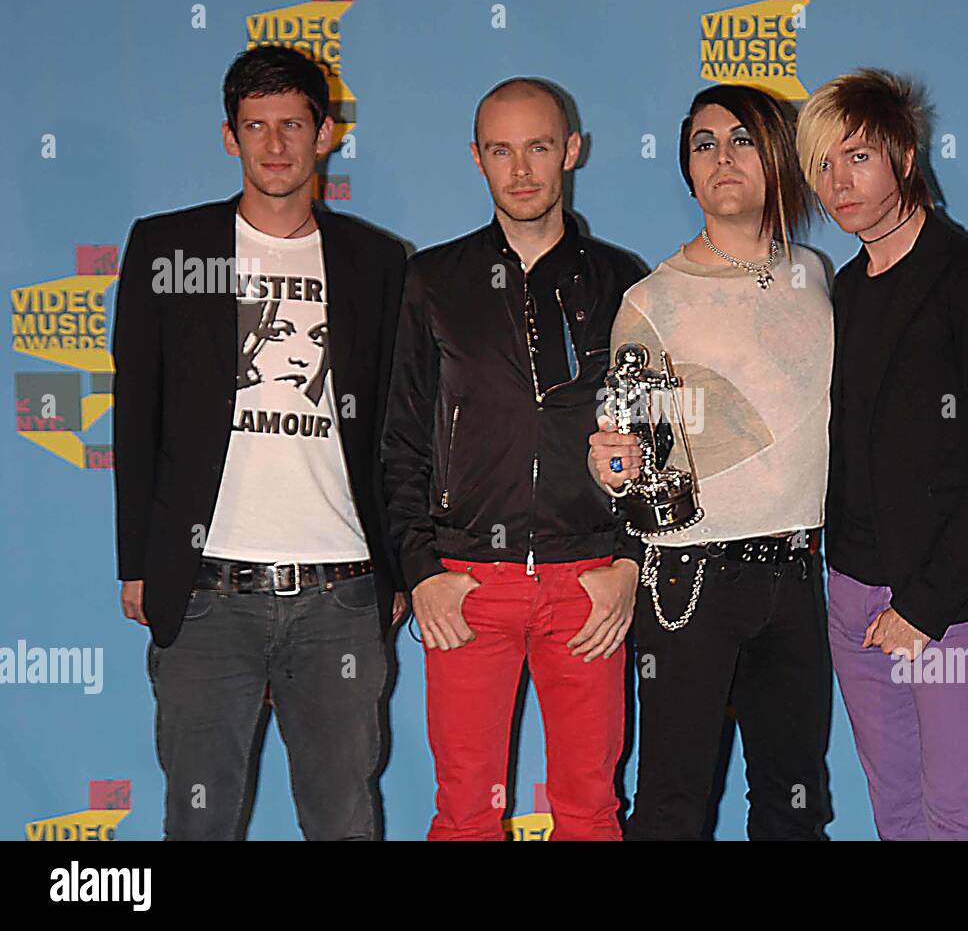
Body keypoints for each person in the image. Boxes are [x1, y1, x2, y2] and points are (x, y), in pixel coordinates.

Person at [113, 45, 407, 840]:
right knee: (198, 821)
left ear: (325, 135)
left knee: (344, 820)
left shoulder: (378, 263)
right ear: (228, 136)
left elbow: (394, 426)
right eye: (256, 126)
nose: (275, 145)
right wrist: (137, 559)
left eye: (292, 125)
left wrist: (403, 566)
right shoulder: (171, 250)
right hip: (206, 589)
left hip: (342, 594)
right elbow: (136, 411)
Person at [382, 78, 646, 841]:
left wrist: (627, 562)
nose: (521, 168)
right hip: (468, 585)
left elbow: (655, 438)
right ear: (477, 159)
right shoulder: (431, 281)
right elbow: (399, 440)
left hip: (586, 586)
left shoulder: (624, 282)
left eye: (537, 146)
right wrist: (421, 569)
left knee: (591, 811)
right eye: (501, 150)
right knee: (464, 812)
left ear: (572, 151)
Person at [796, 68, 968, 840]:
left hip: (948, 598)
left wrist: (923, 606)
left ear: (904, 154)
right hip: (854, 592)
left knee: (957, 813)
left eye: (858, 157)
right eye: (824, 167)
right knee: (894, 809)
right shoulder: (845, 289)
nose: (839, 183)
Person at [588, 84, 834, 840]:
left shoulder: (816, 275)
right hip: (690, 579)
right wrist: (612, 472)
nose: (721, 157)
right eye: (704, 144)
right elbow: (625, 454)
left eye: (742, 140)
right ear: (688, 171)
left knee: (796, 804)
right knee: (672, 804)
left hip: (797, 573)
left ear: (779, 157)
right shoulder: (652, 298)